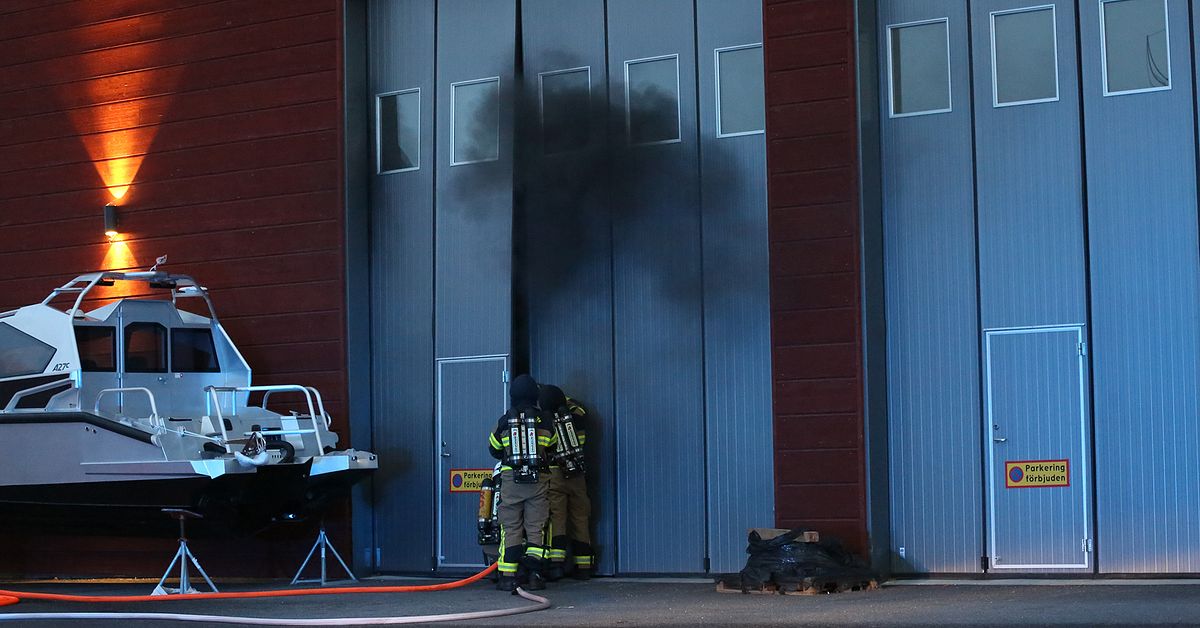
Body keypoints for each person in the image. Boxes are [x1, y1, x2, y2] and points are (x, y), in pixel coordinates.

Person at [488, 374, 555, 591]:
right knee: (536, 526)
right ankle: (535, 575)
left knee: (511, 525)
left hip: (511, 479)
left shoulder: (505, 420)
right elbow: (553, 447)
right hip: (538, 479)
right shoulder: (545, 419)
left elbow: (494, 449)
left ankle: (508, 575)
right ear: (535, 395)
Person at [539, 384, 594, 580]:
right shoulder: (576, 418)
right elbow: (580, 410)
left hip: (555, 474)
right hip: (577, 474)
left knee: (557, 520)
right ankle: (584, 567)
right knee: (581, 519)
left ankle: (556, 566)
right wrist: (564, 401)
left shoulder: (546, 420)